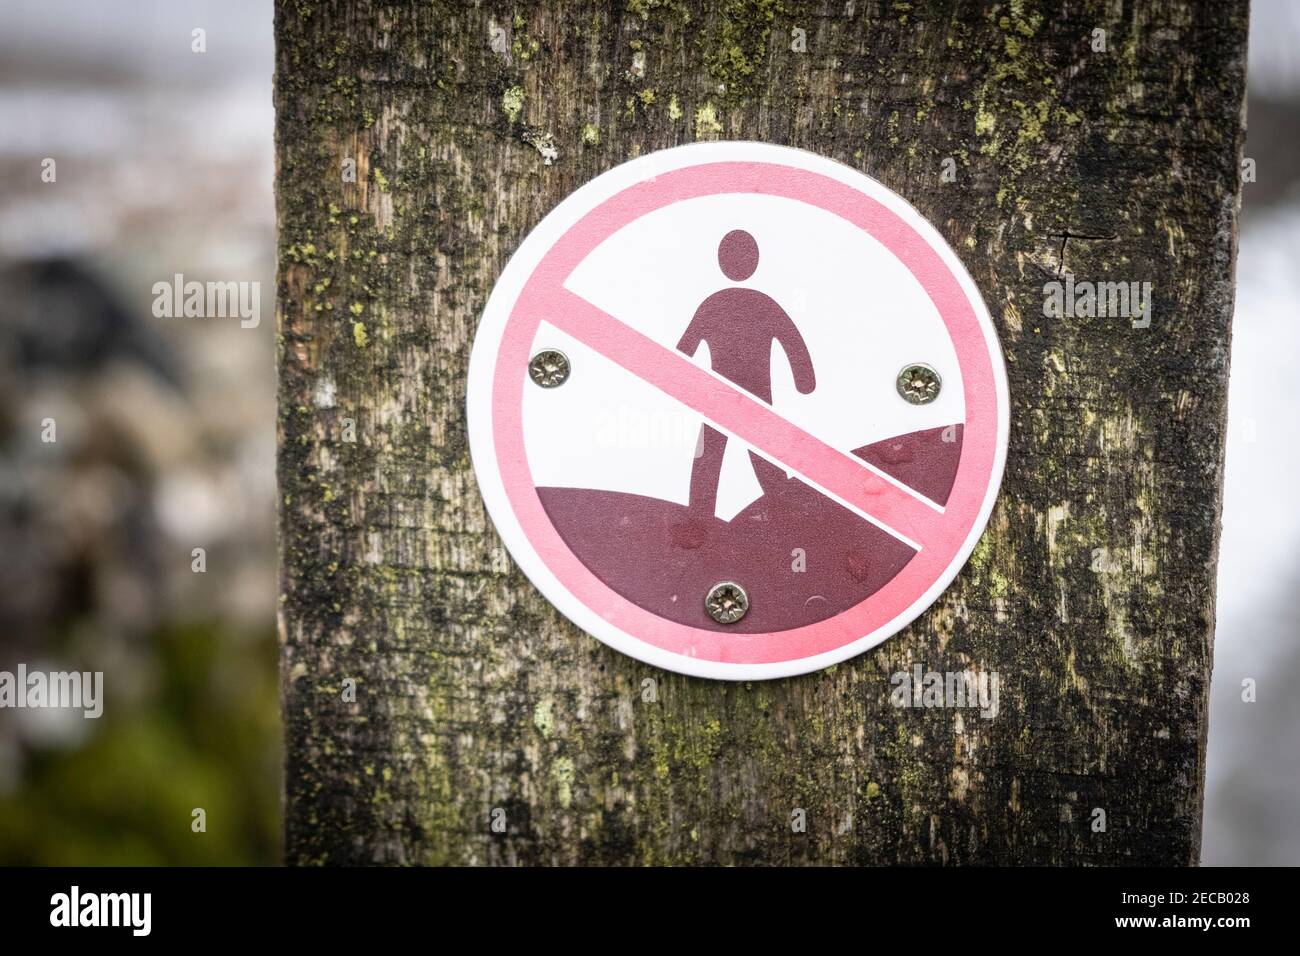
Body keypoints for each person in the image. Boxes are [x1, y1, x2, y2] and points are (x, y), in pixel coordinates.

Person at [676, 229, 816, 514]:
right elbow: (793, 344)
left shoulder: (714, 304)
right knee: (747, 459)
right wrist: (804, 381)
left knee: (713, 459)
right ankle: (776, 509)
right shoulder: (760, 304)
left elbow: (682, 352)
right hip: (746, 399)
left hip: (725, 400)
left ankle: (701, 515)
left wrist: (678, 381)